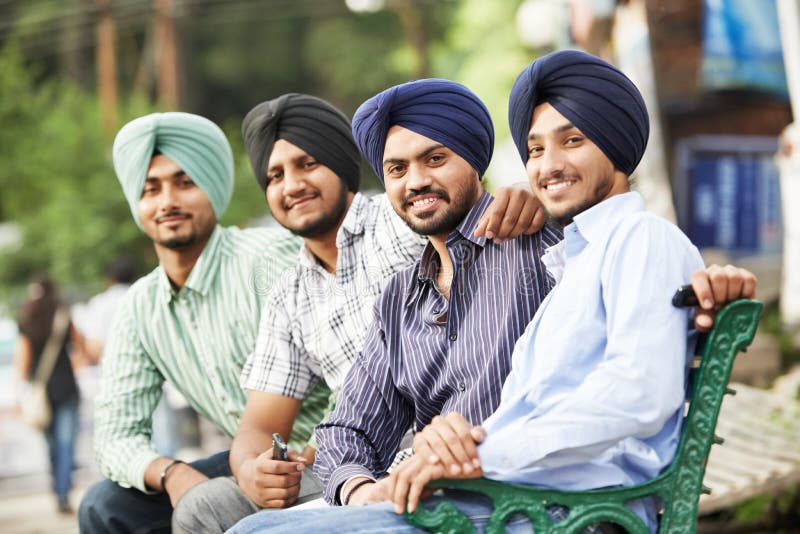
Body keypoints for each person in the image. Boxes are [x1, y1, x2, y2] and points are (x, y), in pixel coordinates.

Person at [229, 68, 756, 533]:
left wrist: (473, 452)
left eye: (435, 158)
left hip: (551, 507)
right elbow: (347, 430)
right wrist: (367, 488)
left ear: (476, 163)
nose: (416, 181)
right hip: (477, 493)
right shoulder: (422, 293)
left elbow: (633, 388)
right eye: (396, 170)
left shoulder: (545, 248)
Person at [174, 93, 545, 533]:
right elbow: (318, 429)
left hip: (497, 483)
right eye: (275, 175)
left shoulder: (420, 225)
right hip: (384, 473)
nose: (292, 185)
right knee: (207, 508)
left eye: (307, 164)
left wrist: (533, 195)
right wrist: (347, 488)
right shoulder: (378, 292)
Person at [77, 112, 331, 533]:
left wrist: (310, 453)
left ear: (212, 190)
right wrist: (171, 473)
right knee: (105, 507)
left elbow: (353, 370)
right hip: (246, 462)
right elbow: (115, 434)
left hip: (328, 450)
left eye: (185, 183)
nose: (167, 202)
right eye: (150, 188)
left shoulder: (267, 261)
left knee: (213, 504)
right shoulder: (140, 308)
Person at [15, 276, 80, 514]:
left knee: (52, 446)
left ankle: (57, 489)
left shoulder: (27, 320)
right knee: (66, 446)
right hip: (66, 388)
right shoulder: (62, 315)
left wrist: (20, 392)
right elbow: (80, 348)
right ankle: (63, 493)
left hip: (41, 393)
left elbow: (23, 359)